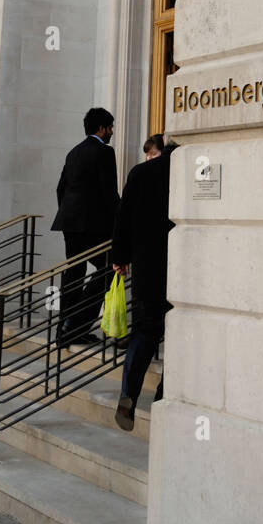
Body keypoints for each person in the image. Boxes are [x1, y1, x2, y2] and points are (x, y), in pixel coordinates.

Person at [111, 139, 178, 431]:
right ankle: (164, 393)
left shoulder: (140, 173)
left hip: (146, 266)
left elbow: (122, 218)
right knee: (179, 331)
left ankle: (128, 393)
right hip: (182, 266)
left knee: (144, 330)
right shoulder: (187, 172)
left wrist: (119, 256)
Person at [51, 108, 119, 343]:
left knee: (74, 273)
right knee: (111, 267)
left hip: (69, 223)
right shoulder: (105, 152)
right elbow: (109, 194)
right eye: (110, 127)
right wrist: (118, 225)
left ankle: (65, 329)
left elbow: (61, 188)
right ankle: (75, 324)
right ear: (101, 128)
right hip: (92, 225)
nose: (111, 132)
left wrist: (70, 215)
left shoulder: (74, 152)